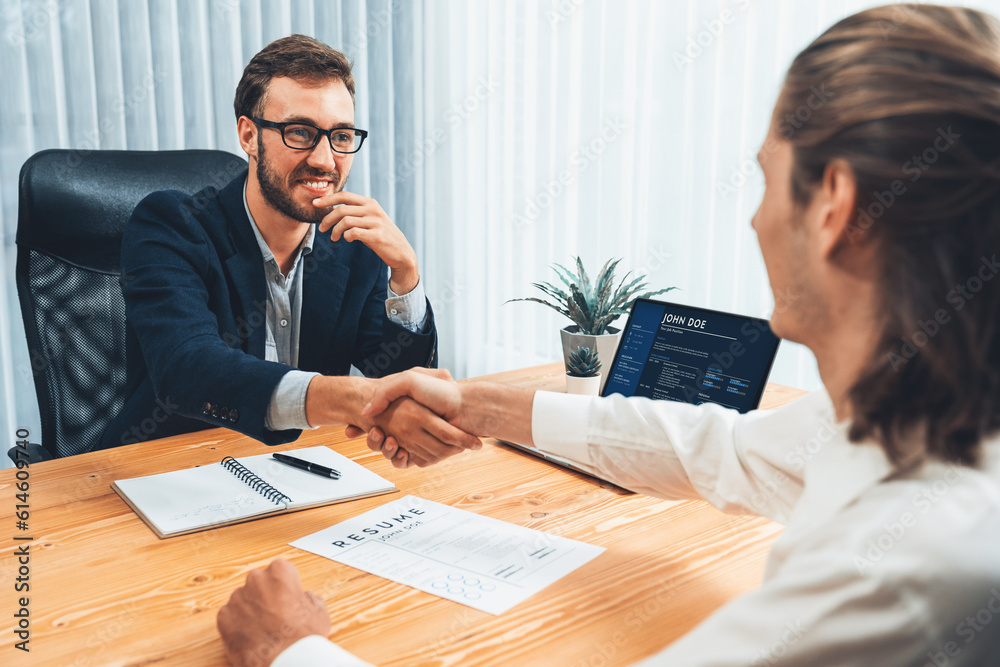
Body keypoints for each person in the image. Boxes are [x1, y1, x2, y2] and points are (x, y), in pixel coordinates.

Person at [218, 5, 1000, 666]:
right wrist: (475, 404)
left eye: (767, 179)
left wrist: (291, 648)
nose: (756, 219)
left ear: (833, 205)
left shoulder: (910, 572)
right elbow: (718, 448)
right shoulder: (910, 412)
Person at [100, 35, 479, 460]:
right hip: (163, 470)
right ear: (249, 136)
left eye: (340, 136)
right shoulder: (173, 225)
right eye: (300, 132)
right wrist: (350, 398)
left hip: (297, 469)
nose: (324, 160)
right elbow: (187, 368)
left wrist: (406, 275)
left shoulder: (353, 245)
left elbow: (404, 393)